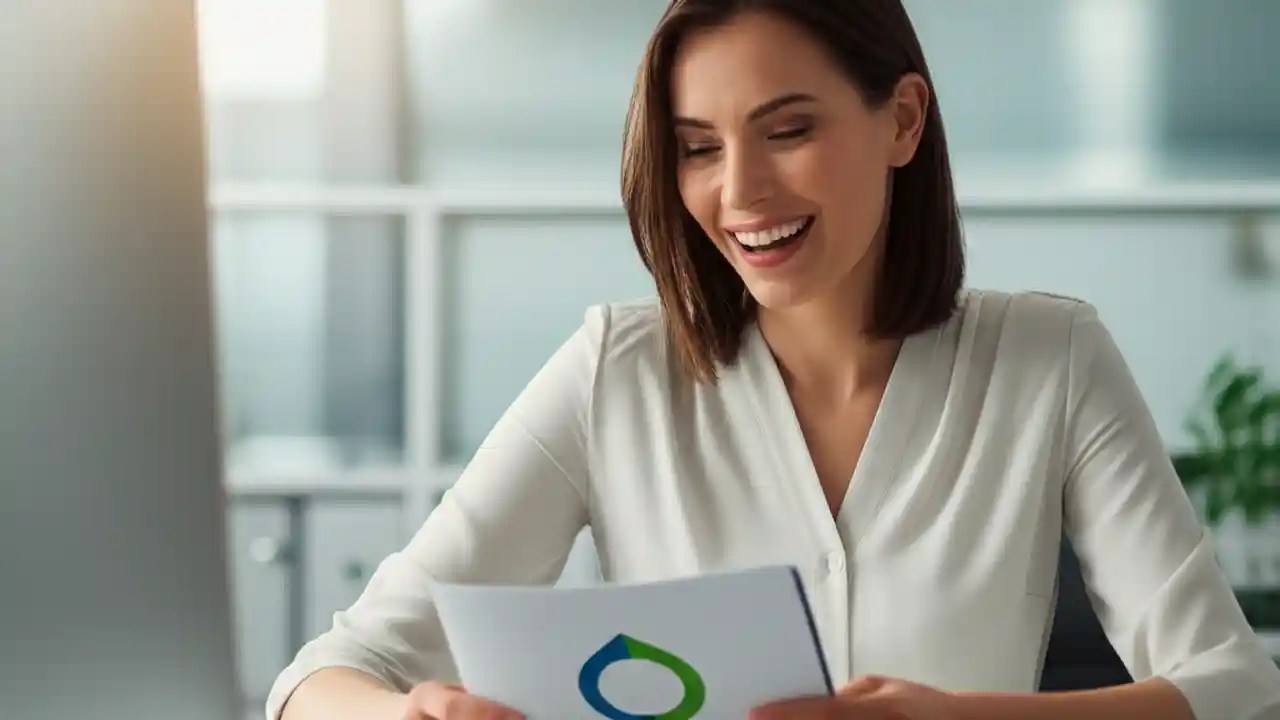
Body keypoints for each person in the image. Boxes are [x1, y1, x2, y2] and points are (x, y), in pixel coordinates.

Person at [270, 1, 1280, 719]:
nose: (740, 190)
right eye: (697, 147)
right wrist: (407, 715)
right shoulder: (613, 373)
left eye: (786, 130)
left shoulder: (1046, 359)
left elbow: (1233, 688)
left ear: (901, 120)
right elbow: (332, 669)